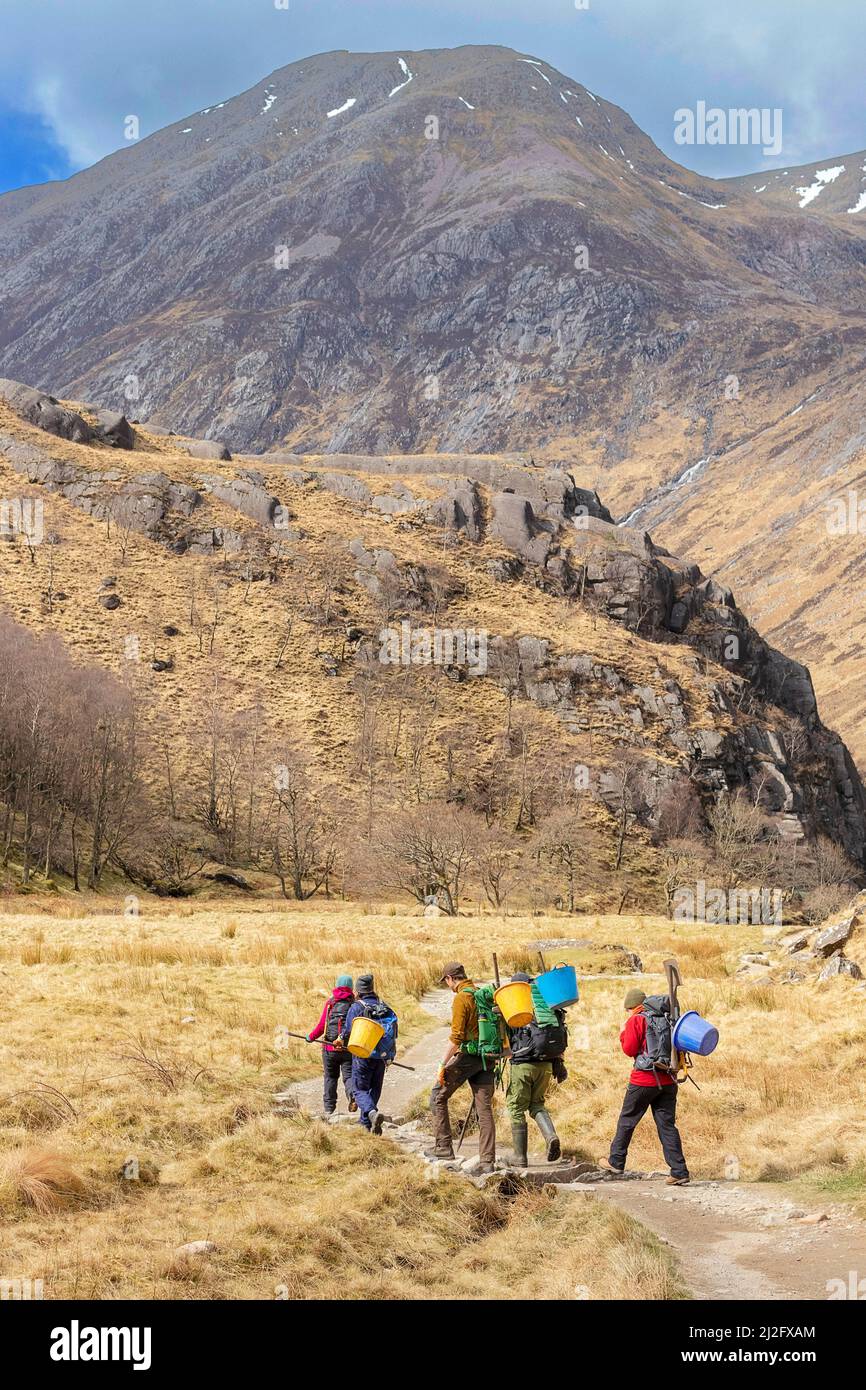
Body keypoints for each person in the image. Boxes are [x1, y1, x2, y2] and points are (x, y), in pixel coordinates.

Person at [600, 988, 690, 1185]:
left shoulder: (636, 1019)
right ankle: (679, 1171)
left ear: (631, 1006)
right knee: (667, 1125)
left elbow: (629, 1049)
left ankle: (615, 1161)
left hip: (644, 1079)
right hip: (668, 1079)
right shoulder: (668, 1017)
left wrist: (623, 1034)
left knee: (627, 1120)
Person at [427, 962, 499, 1174]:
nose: (447, 985)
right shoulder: (480, 994)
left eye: (446, 981)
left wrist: (442, 1063)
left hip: (468, 1056)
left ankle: (443, 1148)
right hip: (487, 1057)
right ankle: (487, 1161)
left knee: (437, 1095)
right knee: (484, 1108)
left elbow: (457, 1037)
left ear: (450, 978)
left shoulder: (462, 998)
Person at [504, 972, 567, 1167]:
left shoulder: (517, 1001)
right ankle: (550, 1137)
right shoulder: (546, 998)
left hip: (523, 1063)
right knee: (537, 1104)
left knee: (515, 1108)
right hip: (547, 1063)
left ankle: (519, 1157)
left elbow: (507, 1033)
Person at [344, 973, 398, 1135]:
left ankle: (372, 1114)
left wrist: (341, 1040)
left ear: (358, 990)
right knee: (374, 1088)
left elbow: (348, 1032)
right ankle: (366, 1124)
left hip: (363, 1054)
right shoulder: (384, 1006)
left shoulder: (357, 1006)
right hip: (382, 1055)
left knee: (359, 1089)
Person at [306, 975, 357, 1117]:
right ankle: (352, 1095)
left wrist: (310, 1037)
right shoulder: (354, 1004)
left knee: (330, 1077)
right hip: (348, 1048)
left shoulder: (331, 1003)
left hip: (329, 1047)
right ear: (351, 987)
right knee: (348, 1076)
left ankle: (329, 1109)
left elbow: (322, 1025)